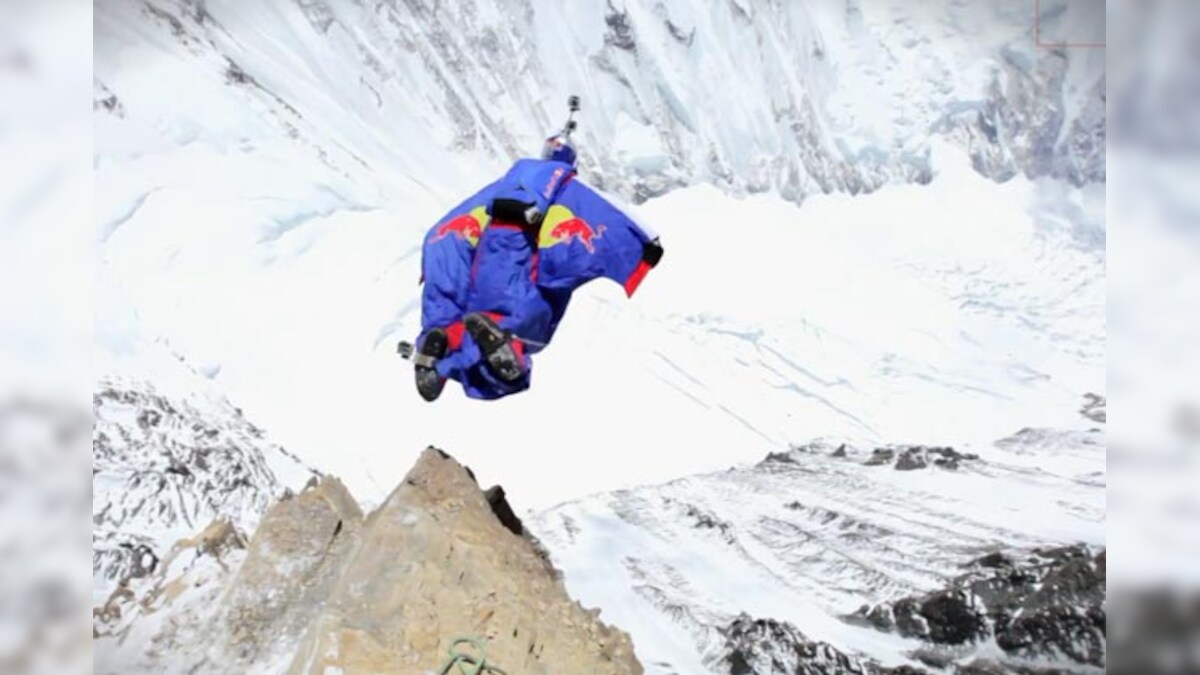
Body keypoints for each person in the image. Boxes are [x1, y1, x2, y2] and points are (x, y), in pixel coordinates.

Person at [411, 115, 663, 402]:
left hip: (485, 263)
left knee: (468, 321)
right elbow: (607, 218)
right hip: (522, 268)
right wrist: (644, 247)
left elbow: (455, 221)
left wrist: (439, 250)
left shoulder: (504, 184)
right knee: (526, 330)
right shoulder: (568, 188)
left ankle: (441, 339)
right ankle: (505, 353)